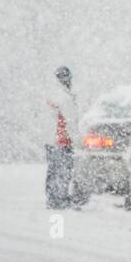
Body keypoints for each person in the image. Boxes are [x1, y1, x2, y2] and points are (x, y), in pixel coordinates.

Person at [45, 65, 85, 208]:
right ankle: (60, 199)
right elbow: (71, 121)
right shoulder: (65, 98)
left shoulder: (51, 95)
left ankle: (52, 198)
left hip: (50, 140)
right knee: (63, 171)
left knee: (53, 170)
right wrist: (78, 141)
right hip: (62, 140)